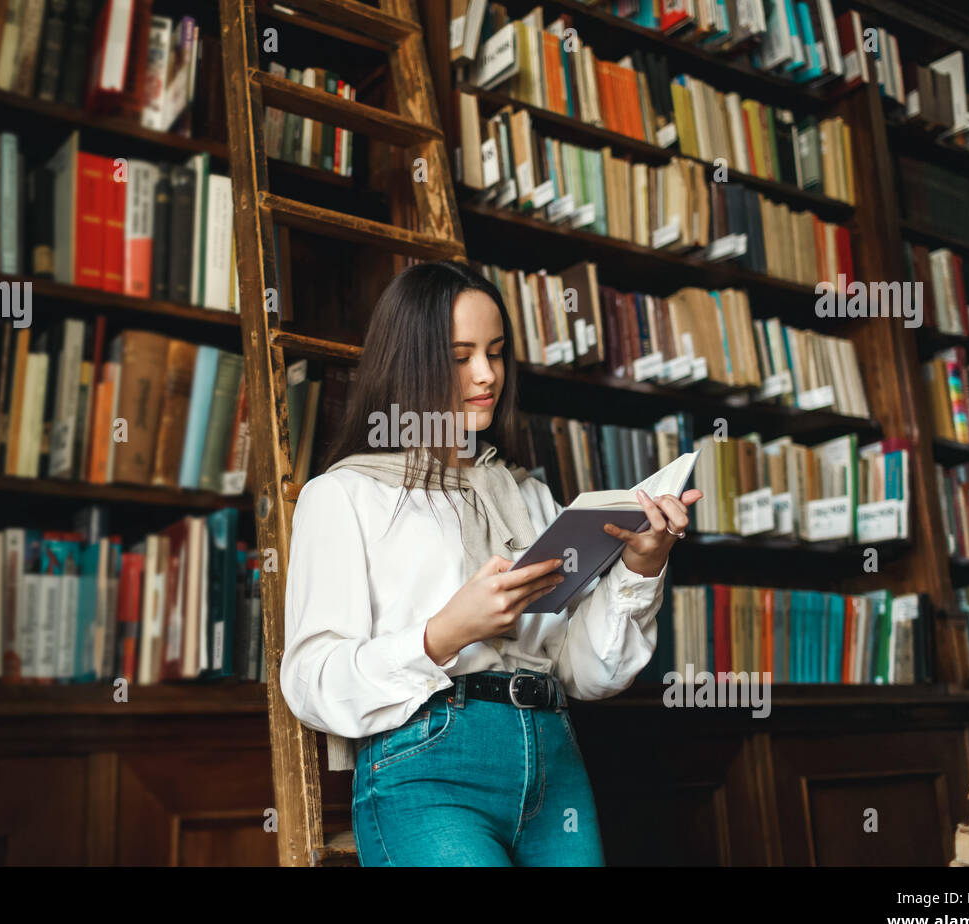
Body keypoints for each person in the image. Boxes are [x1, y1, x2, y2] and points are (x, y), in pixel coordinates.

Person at [280, 260, 701, 866]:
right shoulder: (345, 494)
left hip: (555, 757)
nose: (486, 375)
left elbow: (586, 675)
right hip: (426, 766)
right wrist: (444, 633)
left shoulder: (526, 496)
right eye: (460, 355)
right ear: (409, 361)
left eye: (497, 353)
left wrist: (640, 566)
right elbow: (311, 681)